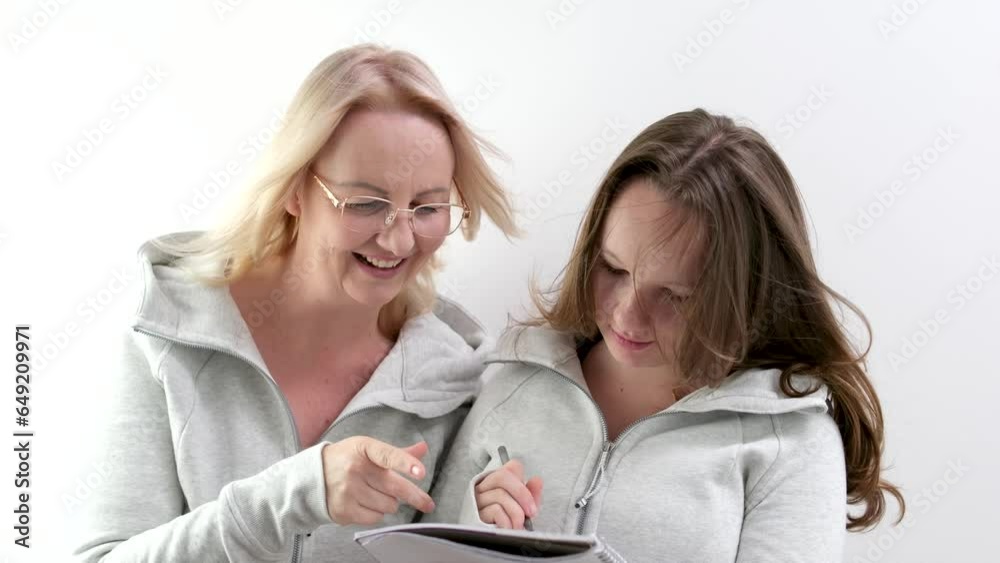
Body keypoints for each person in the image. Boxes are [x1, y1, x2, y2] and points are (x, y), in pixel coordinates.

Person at [72, 44, 517, 562]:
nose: (399, 242)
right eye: (366, 203)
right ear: (295, 190)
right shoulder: (172, 333)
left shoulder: (452, 383)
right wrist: (294, 494)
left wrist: (477, 533)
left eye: (428, 207)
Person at [426, 109, 905, 562]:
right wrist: (476, 526)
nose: (628, 317)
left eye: (675, 296)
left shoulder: (791, 440)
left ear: (744, 296)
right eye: (613, 268)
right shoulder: (514, 380)